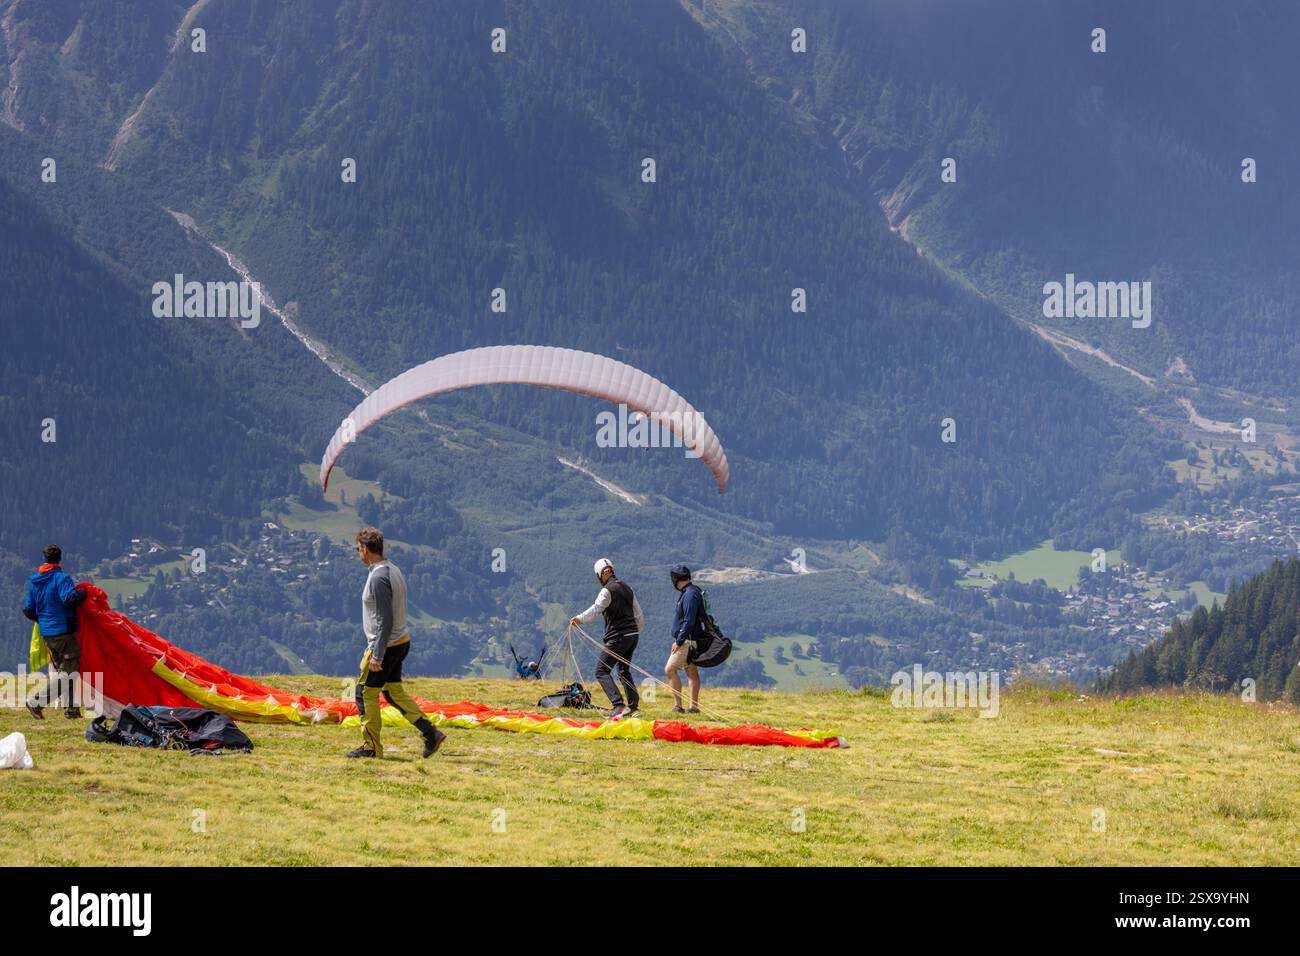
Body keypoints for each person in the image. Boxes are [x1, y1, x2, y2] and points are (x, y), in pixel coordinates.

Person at [348, 527, 446, 759]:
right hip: (401, 641)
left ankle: (371, 748)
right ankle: (431, 733)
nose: (358, 553)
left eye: (358, 549)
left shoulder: (379, 578)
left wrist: (377, 655)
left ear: (365, 549)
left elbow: (385, 618)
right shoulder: (393, 570)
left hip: (385, 646)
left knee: (364, 693)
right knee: (393, 693)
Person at [570, 558, 644, 720]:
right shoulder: (628, 588)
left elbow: (595, 610)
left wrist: (578, 619)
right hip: (633, 636)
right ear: (612, 570)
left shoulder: (607, 591)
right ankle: (633, 706)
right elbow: (638, 614)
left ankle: (618, 705)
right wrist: (634, 632)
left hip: (618, 638)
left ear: (600, 575)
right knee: (624, 670)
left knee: (601, 671)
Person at [23, 545, 88, 720]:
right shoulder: (61, 578)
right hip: (63, 631)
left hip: (47, 634)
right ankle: (36, 702)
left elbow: (28, 610)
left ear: (44, 559)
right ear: (59, 559)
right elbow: (70, 600)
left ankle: (72, 711)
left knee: (65, 671)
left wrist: (44, 620)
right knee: (69, 672)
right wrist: (83, 593)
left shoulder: (34, 581)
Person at [665, 564, 705, 714]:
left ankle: (678, 706)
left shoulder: (689, 595)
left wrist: (679, 640)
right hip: (691, 639)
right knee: (691, 672)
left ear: (675, 579)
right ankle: (693, 707)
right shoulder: (693, 592)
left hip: (687, 640)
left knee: (670, 669)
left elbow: (688, 620)